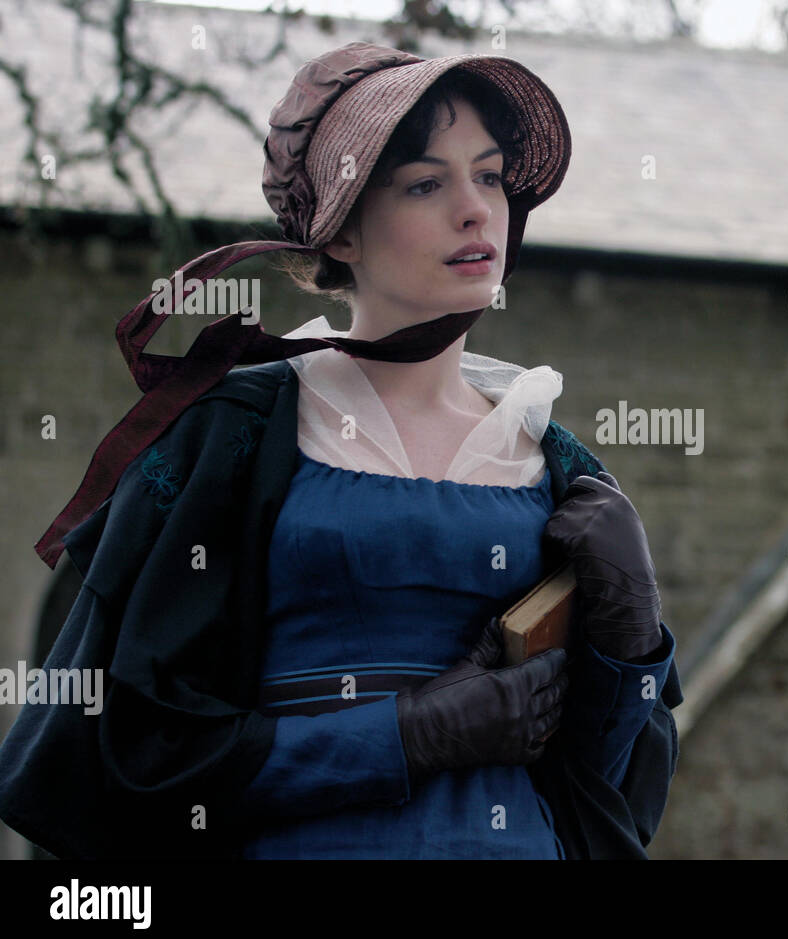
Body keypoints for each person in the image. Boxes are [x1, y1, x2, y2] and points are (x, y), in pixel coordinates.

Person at [0, 42, 681, 860]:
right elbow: (143, 753)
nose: (476, 210)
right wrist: (406, 735)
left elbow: (610, 800)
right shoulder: (237, 434)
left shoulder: (560, 468)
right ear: (343, 230)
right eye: (427, 184)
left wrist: (634, 637)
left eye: (492, 176)